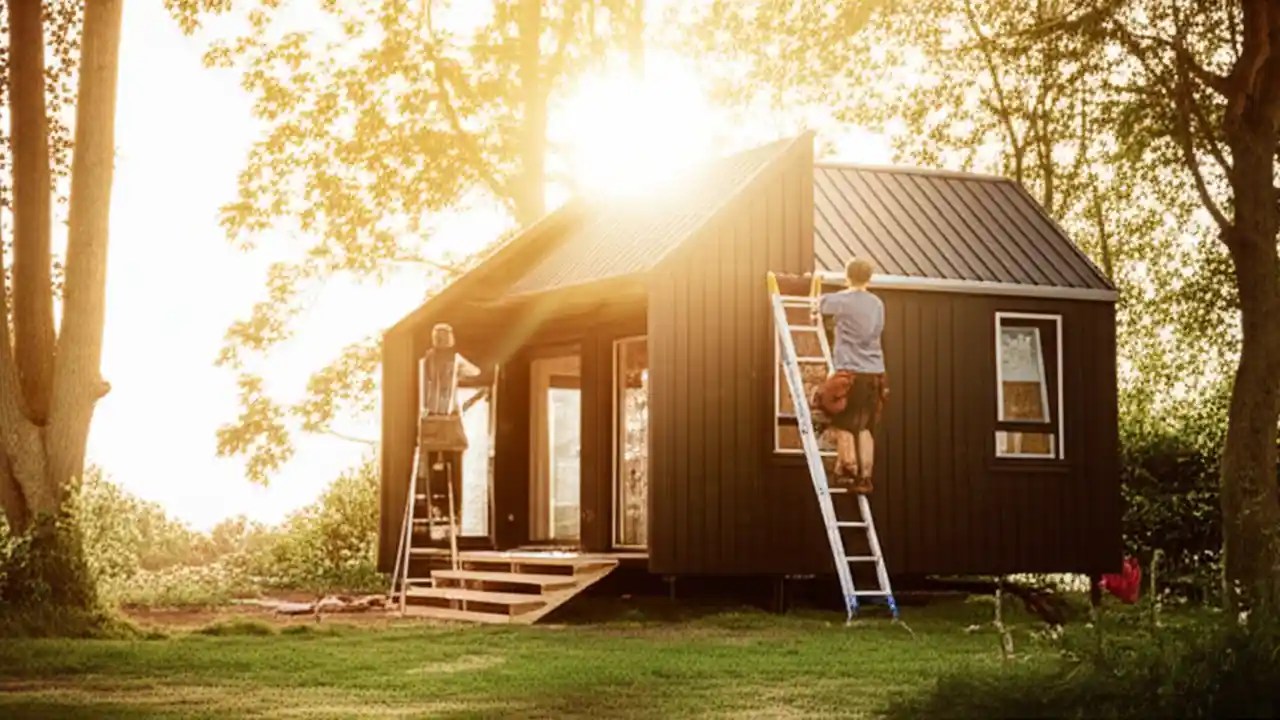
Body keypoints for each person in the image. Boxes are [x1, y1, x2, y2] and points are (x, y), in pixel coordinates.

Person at [815, 259, 888, 493]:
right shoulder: (877, 304)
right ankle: (865, 478)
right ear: (869, 278)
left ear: (847, 276)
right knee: (865, 427)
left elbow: (819, 304)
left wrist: (816, 282)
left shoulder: (843, 300)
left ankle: (847, 469)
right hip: (875, 374)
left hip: (850, 372)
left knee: (842, 421)